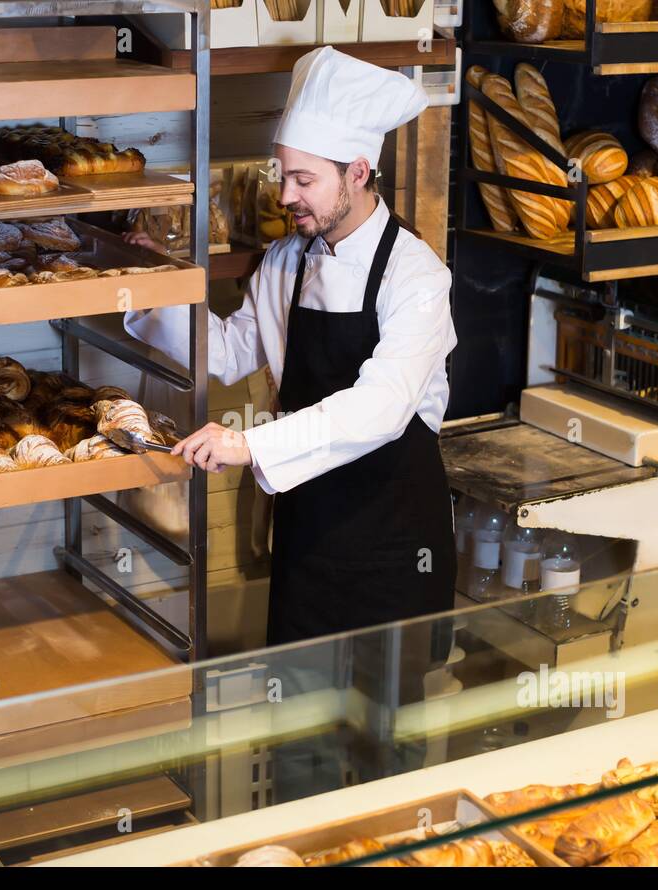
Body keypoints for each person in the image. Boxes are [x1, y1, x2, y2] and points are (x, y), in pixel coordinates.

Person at [122, 45, 458, 647]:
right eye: (285, 176)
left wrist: (247, 444)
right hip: (309, 527)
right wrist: (159, 286)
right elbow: (228, 350)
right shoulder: (286, 261)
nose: (285, 197)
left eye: (306, 180)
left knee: (387, 731)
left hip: (395, 538)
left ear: (357, 173)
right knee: (299, 712)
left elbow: (380, 408)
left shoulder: (417, 277)